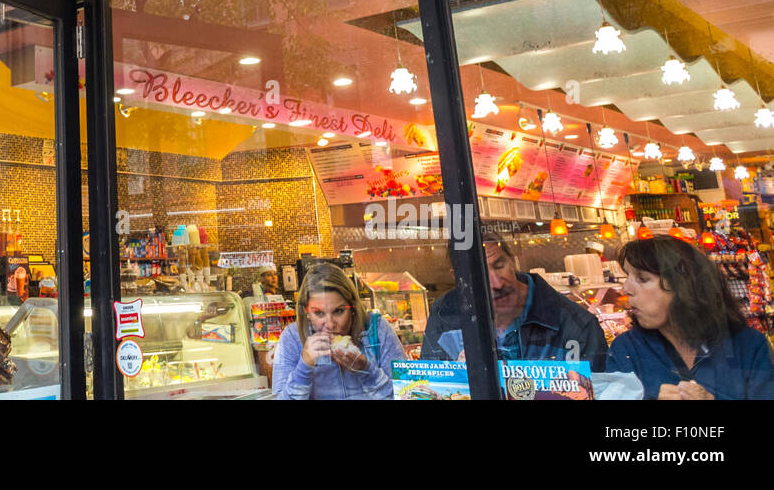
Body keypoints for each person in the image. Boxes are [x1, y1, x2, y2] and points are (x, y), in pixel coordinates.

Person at [607, 237, 774, 400]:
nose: (626, 289)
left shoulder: (748, 345)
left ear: (684, 286)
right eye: (627, 277)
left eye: (643, 279)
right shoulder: (625, 350)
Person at [420, 238, 608, 370]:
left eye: (500, 265)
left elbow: (594, 390)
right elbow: (432, 383)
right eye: (479, 273)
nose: (497, 283)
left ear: (513, 262)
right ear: (459, 278)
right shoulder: (445, 313)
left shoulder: (576, 326)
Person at [272, 262, 405, 399]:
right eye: (318, 313)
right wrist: (304, 368)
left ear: (352, 308)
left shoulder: (376, 328)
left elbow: (406, 393)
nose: (329, 324)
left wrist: (367, 370)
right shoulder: (292, 338)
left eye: (339, 311)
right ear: (306, 312)